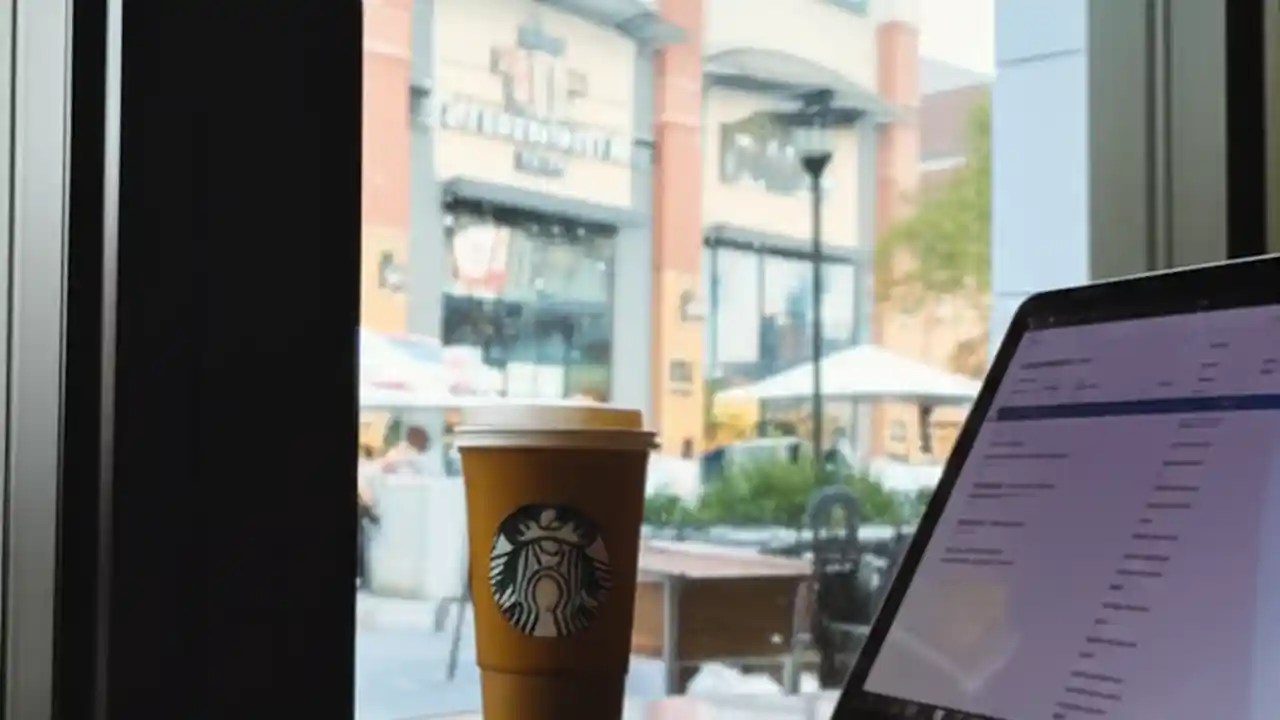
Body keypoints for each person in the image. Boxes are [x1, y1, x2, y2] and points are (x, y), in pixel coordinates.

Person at [356, 444, 381, 589]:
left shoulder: (366, 468)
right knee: (361, 541)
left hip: (362, 507)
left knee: (361, 540)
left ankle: (361, 575)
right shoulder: (368, 468)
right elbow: (364, 492)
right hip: (362, 507)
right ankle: (361, 575)